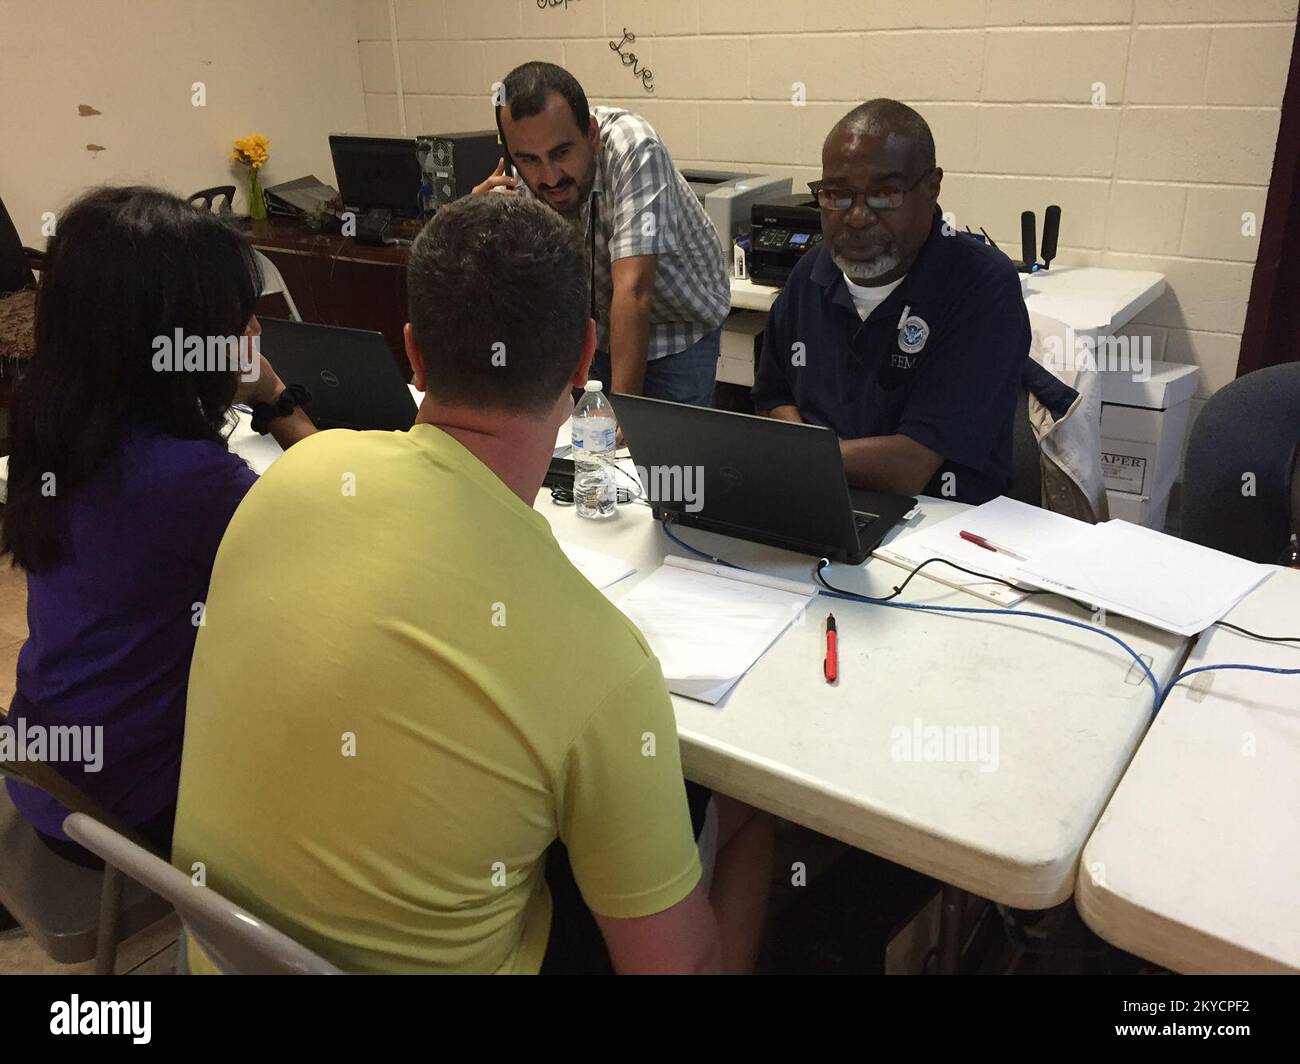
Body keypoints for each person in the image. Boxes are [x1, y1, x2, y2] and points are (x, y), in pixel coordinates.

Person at [172, 193, 772, 975]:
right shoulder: (606, 666)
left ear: (414, 356)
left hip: (216, 956)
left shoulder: (288, 479)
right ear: (585, 357)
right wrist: (753, 838)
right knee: (740, 826)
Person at [0, 186, 314, 872]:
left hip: (43, 763)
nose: (252, 333)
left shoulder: (53, 424)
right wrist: (276, 398)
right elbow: (339, 520)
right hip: (125, 811)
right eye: (237, 318)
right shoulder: (190, 483)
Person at [751, 99, 1029, 505]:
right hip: (819, 499)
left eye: (884, 194)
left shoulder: (982, 285)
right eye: (836, 195)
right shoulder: (811, 272)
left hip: (940, 525)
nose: (857, 216)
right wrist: (802, 458)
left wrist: (792, 456)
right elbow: (774, 397)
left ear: (932, 187)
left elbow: (910, 466)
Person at [473, 61, 730, 407]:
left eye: (561, 153)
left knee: (660, 455)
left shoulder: (635, 148)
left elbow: (634, 289)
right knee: (586, 450)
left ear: (591, 135)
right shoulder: (519, 176)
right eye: (529, 160)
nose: (549, 177)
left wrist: (624, 414)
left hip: (677, 328)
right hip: (599, 331)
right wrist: (473, 225)